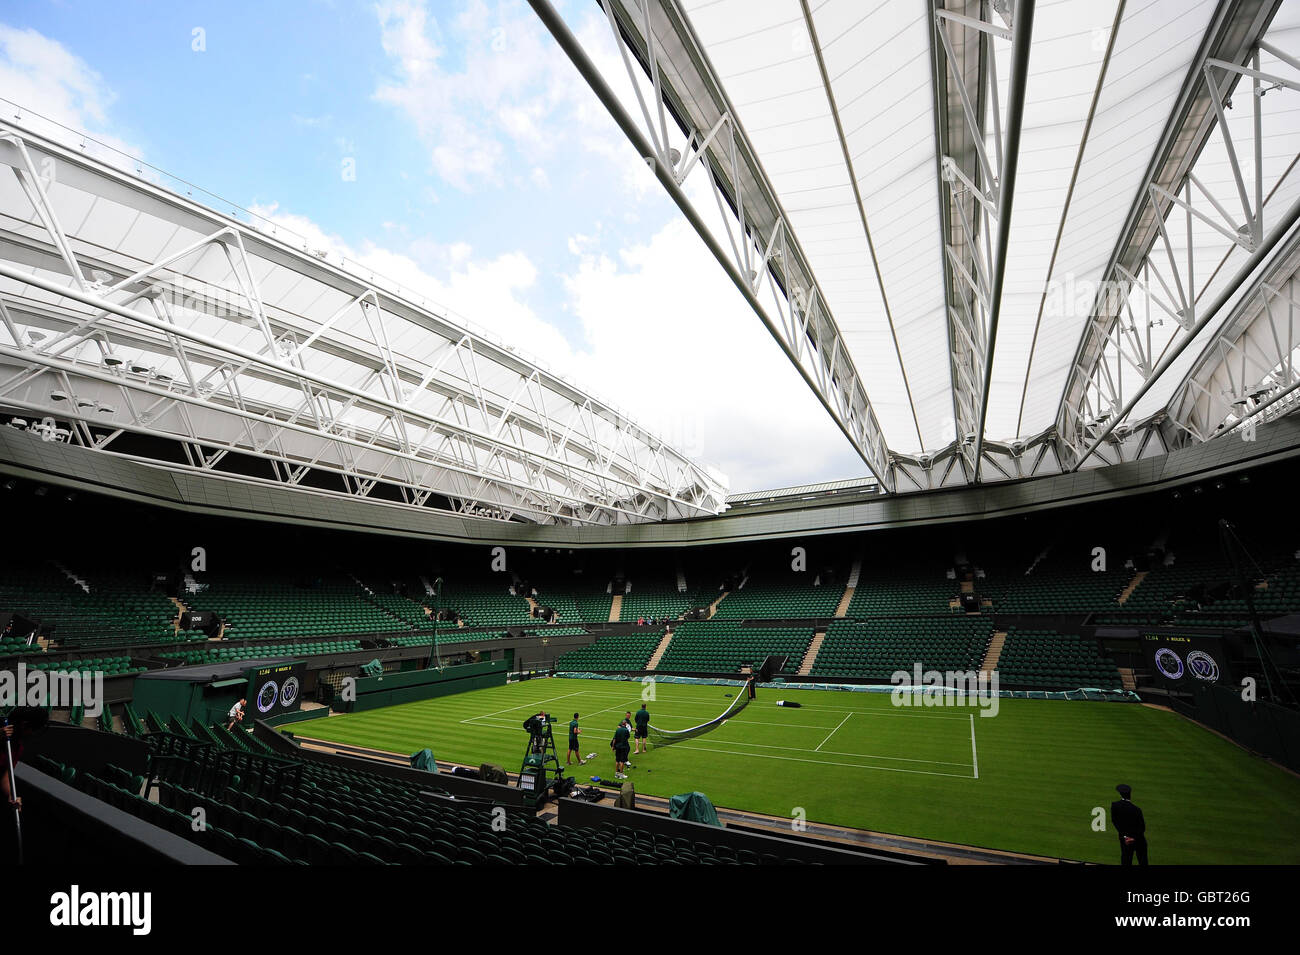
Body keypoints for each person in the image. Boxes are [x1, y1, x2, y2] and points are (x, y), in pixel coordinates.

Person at [1, 707, 48, 816]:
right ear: (24, 725)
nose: (32, 734)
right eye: (33, 730)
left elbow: (5, 778)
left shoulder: (17, 747)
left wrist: (12, 795)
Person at [1110, 783, 1148, 866]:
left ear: (1120, 794)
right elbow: (1142, 828)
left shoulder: (1115, 806)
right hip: (1138, 840)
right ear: (1130, 794)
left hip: (1125, 840)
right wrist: (1133, 838)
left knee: (1126, 861)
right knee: (1143, 861)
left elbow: (1115, 822)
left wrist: (1125, 837)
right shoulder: (1137, 810)